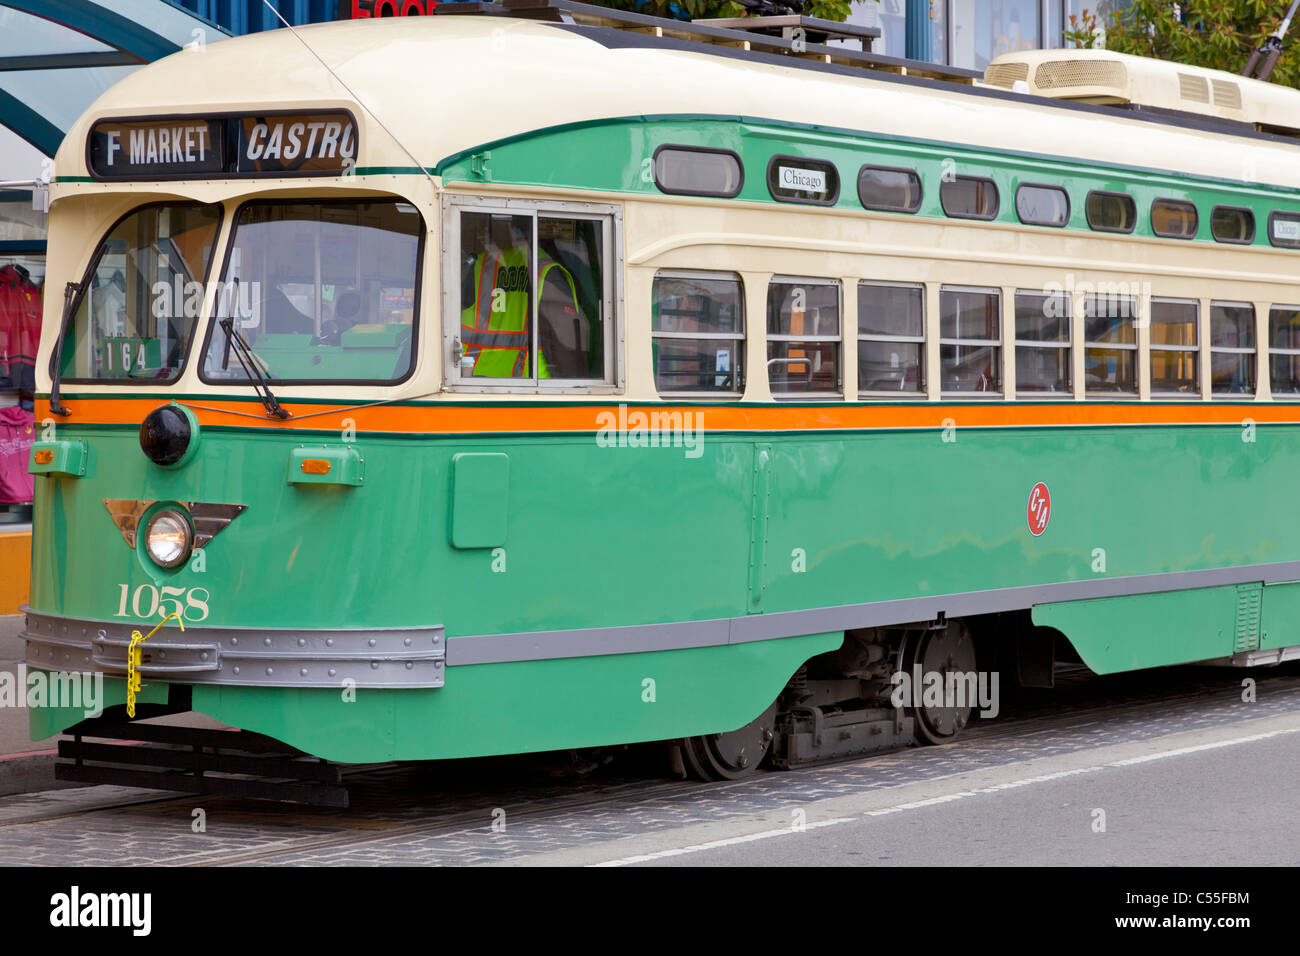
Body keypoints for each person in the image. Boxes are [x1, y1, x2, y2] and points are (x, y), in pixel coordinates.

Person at [460, 221, 584, 378]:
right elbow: (565, 348)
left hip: (474, 381)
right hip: (530, 389)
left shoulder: (482, 265)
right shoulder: (546, 271)